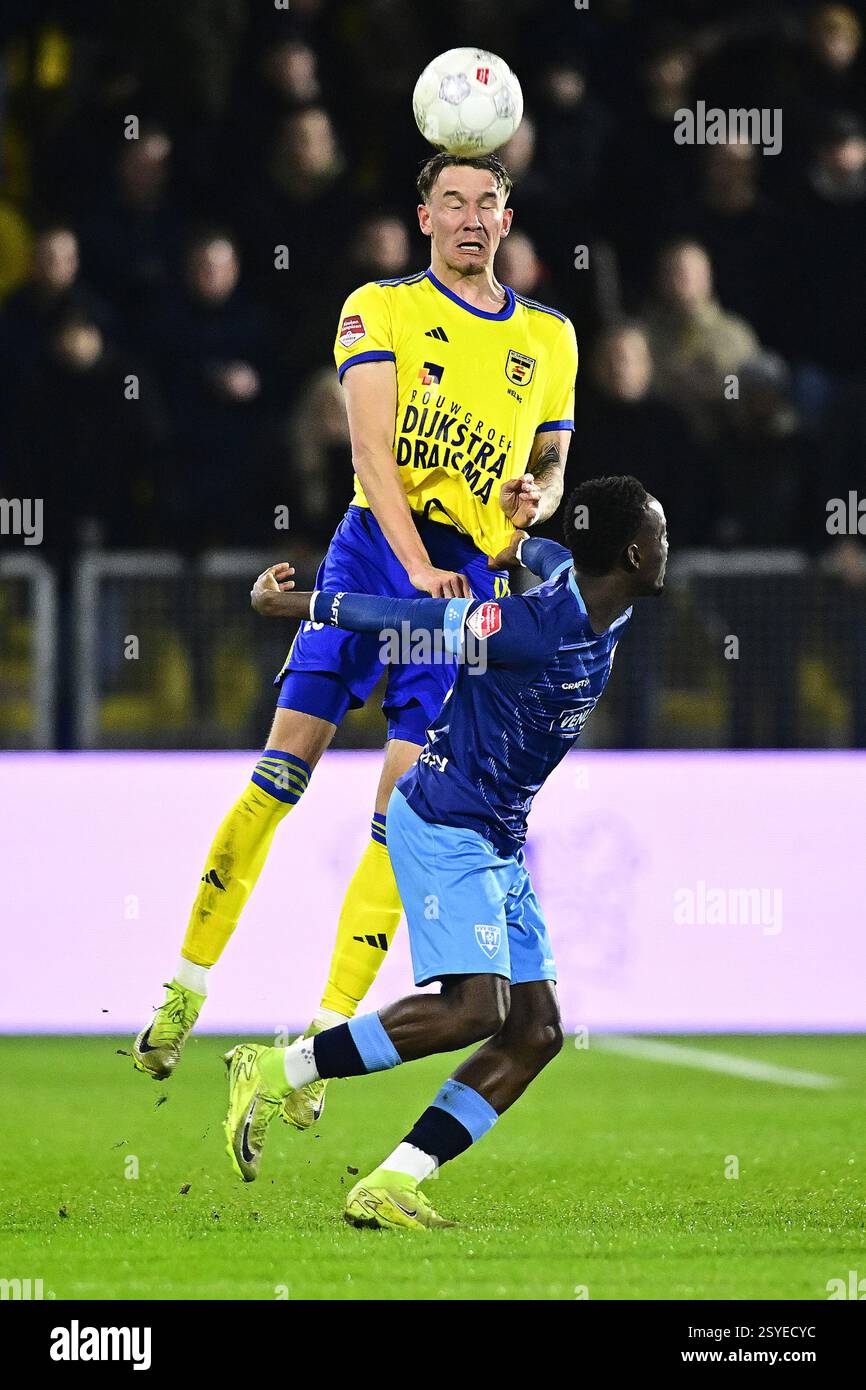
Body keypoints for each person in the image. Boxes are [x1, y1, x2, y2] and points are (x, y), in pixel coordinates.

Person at [133, 152, 578, 1137]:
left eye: (487, 203)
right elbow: (370, 452)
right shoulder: (377, 308)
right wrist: (414, 566)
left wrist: (530, 502)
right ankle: (184, 989)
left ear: (507, 221)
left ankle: (320, 1038)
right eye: (451, 202)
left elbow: (549, 469)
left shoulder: (550, 337)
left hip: (467, 579)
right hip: (378, 550)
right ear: (425, 217)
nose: (470, 217)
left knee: (398, 816)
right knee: (279, 775)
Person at [223, 475, 667, 1230]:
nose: (667, 547)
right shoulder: (528, 626)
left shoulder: (589, 588)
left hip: (497, 837)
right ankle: (273, 1070)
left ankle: (393, 1180)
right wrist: (294, 606)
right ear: (632, 554)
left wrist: (515, 539)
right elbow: (407, 617)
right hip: (442, 821)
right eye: (659, 535)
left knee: (536, 1031)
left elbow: (549, 554)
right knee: (474, 1009)